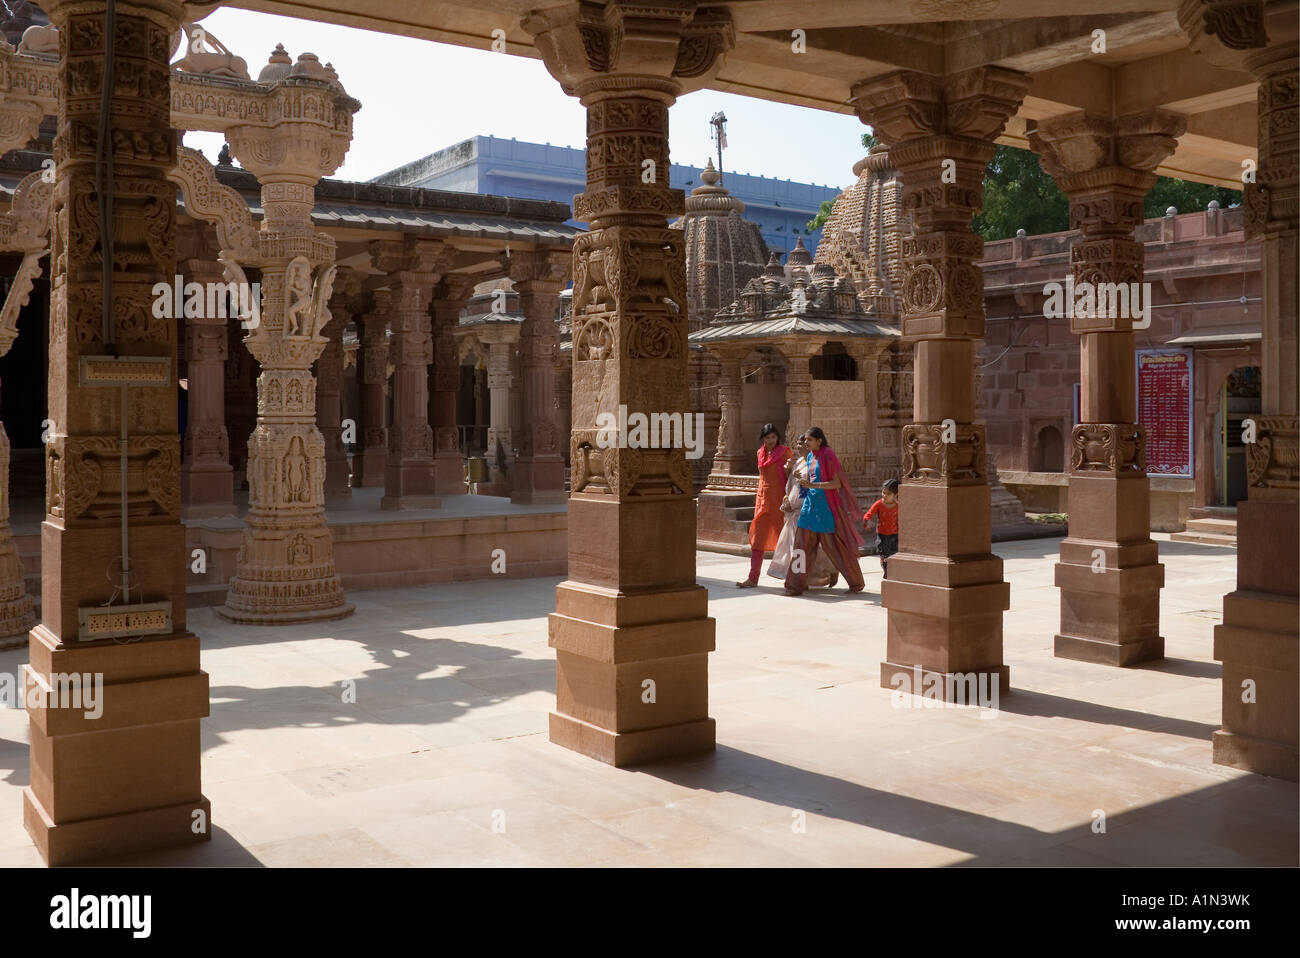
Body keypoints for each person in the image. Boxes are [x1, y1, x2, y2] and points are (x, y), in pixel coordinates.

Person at [783, 426, 865, 596]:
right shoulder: (811, 456)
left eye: (809, 440)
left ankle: (856, 582)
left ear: (819, 441)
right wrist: (800, 481)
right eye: (805, 440)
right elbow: (810, 482)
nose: (806, 443)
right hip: (809, 506)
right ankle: (795, 585)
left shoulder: (828, 455)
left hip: (826, 507)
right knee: (801, 545)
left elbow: (837, 483)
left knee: (834, 547)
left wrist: (814, 485)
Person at [767, 433, 839, 588]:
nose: (800, 446)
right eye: (799, 443)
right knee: (795, 546)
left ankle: (815, 574)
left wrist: (798, 503)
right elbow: (793, 484)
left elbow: (811, 487)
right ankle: (802, 578)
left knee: (803, 546)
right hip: (794, 508)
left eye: (804, 442)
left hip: (805, 509)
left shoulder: (815, 462)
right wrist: (787, 497)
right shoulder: (799, 461)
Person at [736, 423, 792, 588]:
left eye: (773, 437)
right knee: (757, 539)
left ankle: (792, 578)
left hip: (780, 500)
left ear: (777, 437)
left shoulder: (785, 452)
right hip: (763, 501)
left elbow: (789, 476)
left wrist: (791, 498)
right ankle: (753, 578)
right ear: (762, 439)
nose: (771, 440)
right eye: (767, 437)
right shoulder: (760, 453)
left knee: (785, 540)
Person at [863, 478, 900, 579]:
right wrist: (867, 521)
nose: (884, 495)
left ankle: (892, 571)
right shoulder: (879, 504)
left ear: (895, 495)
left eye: (888, 494)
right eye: (883, 492)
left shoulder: (898, 506)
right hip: (882, 535)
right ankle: (886, 571)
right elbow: (869, 514)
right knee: (884, 555)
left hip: (895, 535)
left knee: (893, 553)